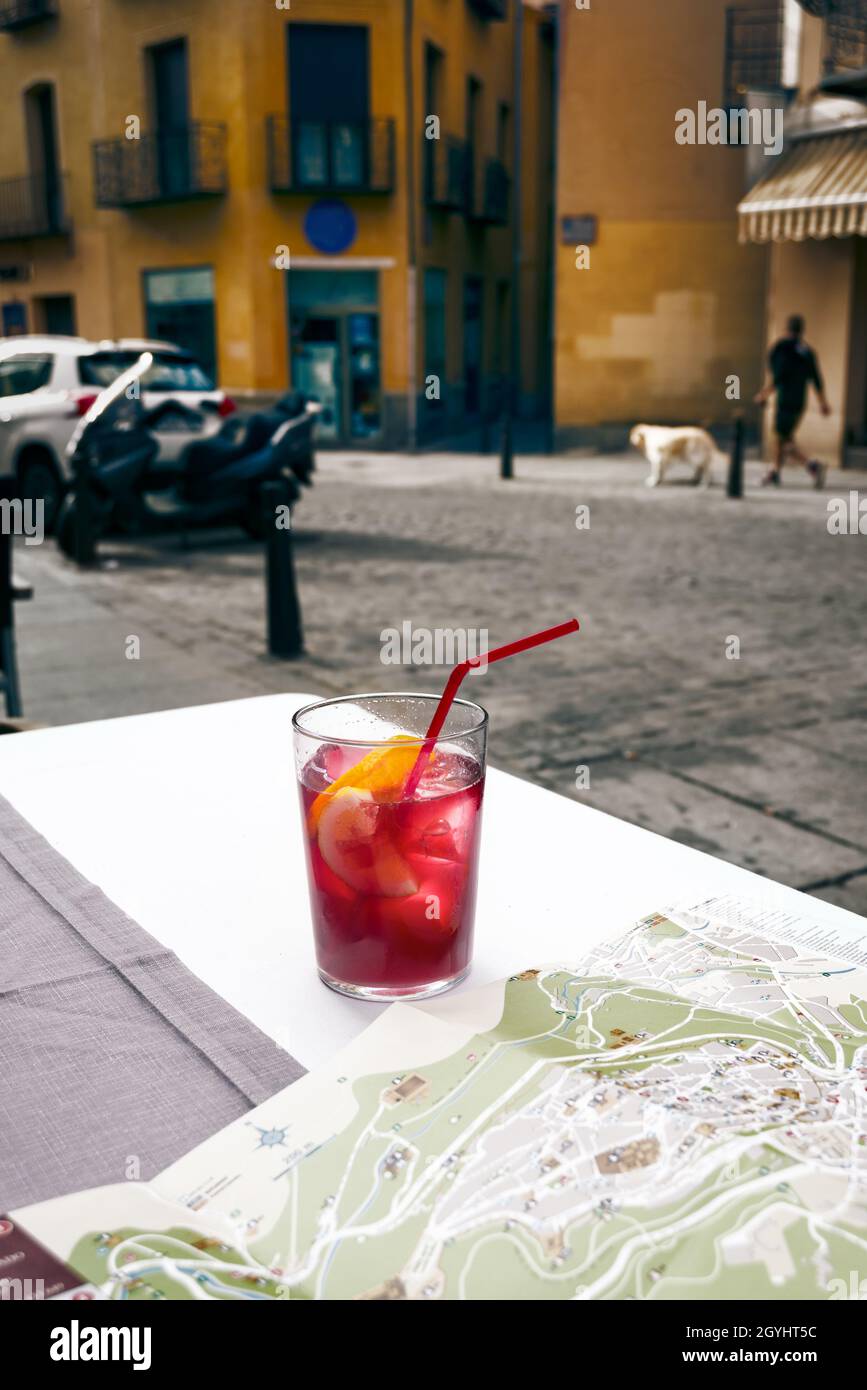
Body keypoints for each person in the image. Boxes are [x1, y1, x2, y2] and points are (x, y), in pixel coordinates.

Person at [754, 315, 831, 488]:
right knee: (782, 439)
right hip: (799, 402)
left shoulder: (783, 349)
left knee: (784, 441)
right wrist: (823, 402)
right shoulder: (807, 352)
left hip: (785, 401)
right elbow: (816, 379)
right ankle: (774, 472)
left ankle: (813, 465)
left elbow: (780, 376)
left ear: (787, 329)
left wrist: (764, 395)